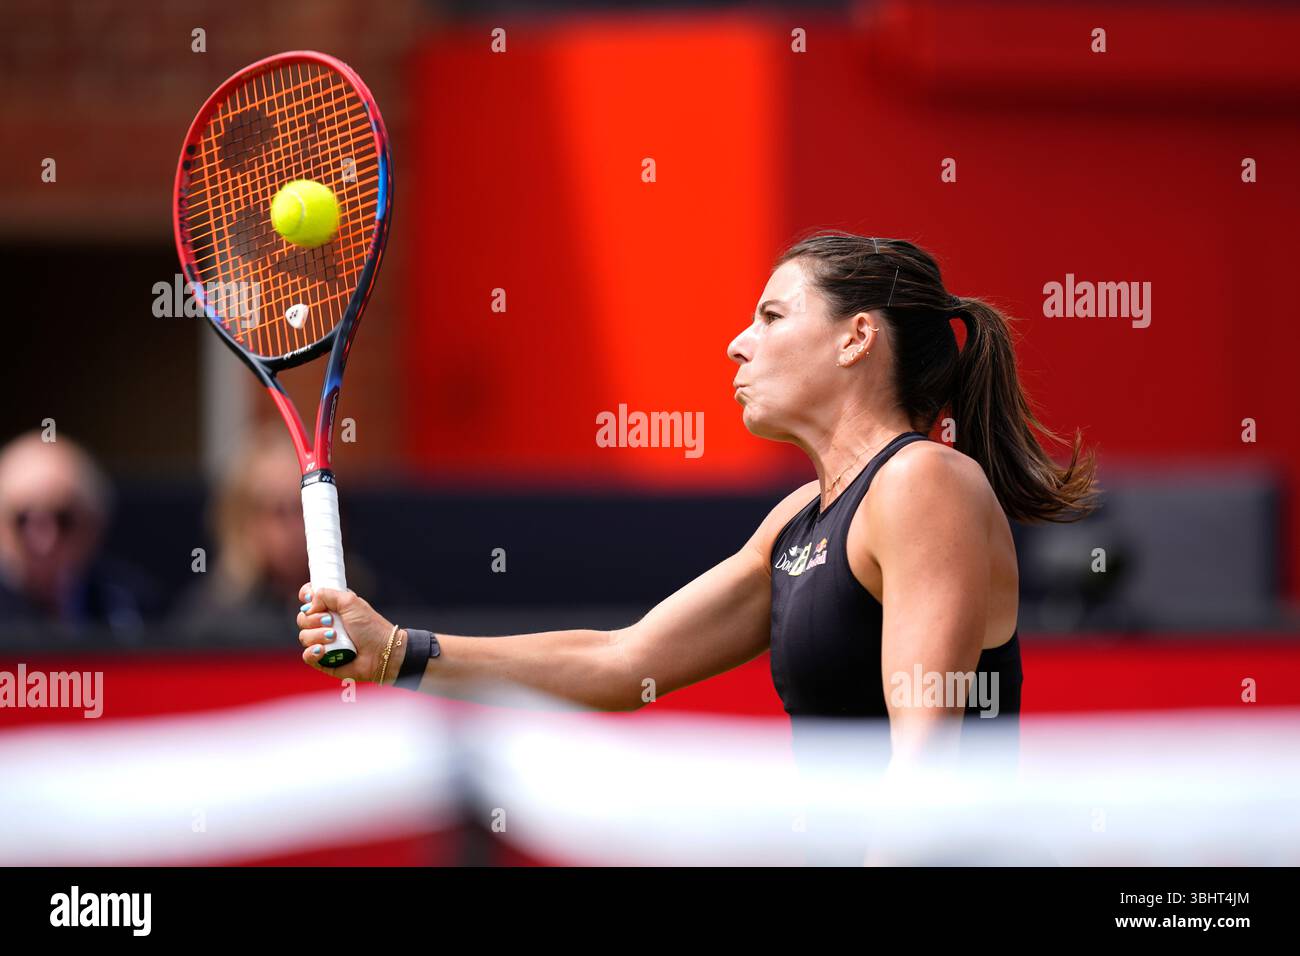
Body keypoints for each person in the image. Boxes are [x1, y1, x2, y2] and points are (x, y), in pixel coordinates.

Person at [293, 232, 1098, 861]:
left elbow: (928, 760)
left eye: (772, 317)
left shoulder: (927, 483)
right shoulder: (796, 522)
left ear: (857, 338)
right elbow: (622, 661)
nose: (736, 345)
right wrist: (398, 652)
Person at [0, 431, 156, 643]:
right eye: (23, 519)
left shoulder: (132, 609)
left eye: (63, 519)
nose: (44, 541)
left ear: (94, 525)